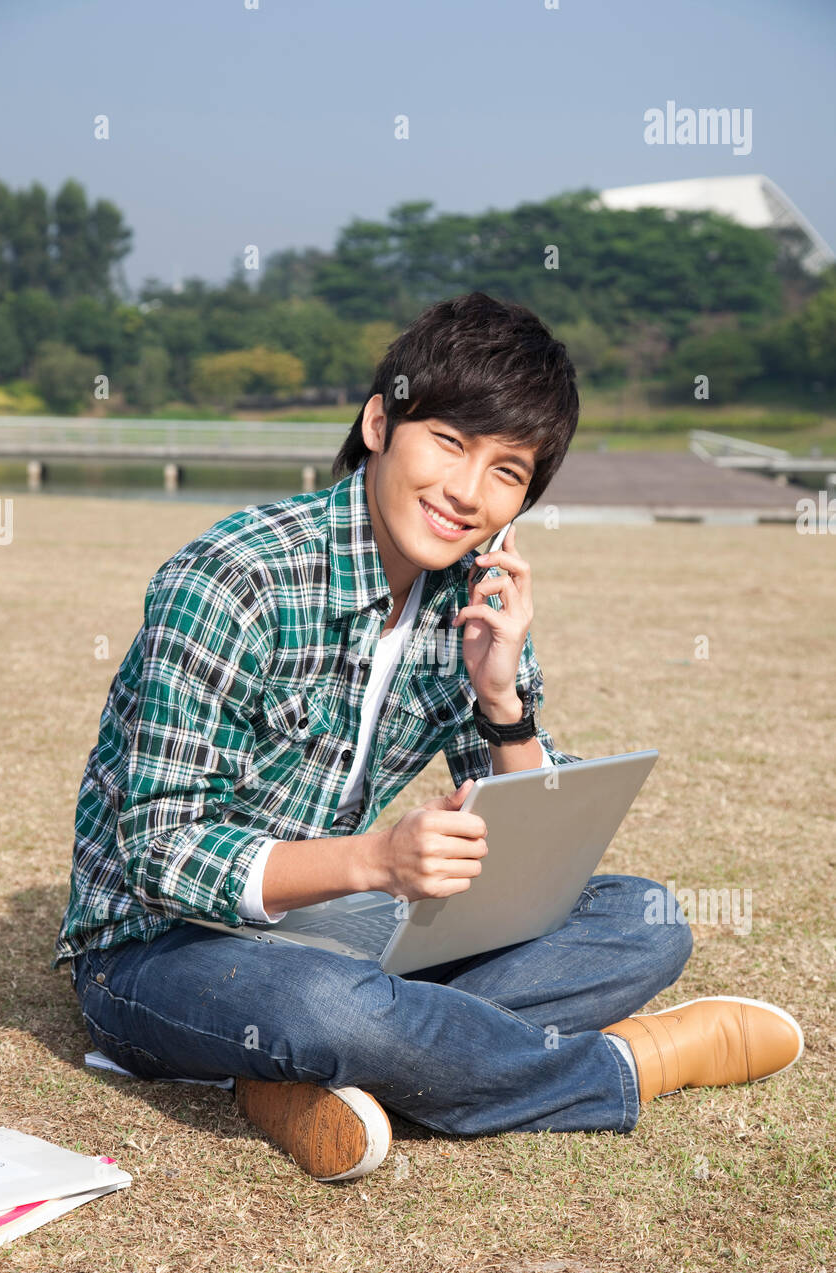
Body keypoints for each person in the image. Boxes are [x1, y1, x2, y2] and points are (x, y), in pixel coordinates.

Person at [53, 291, 803, 1183]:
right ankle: (624, 1067)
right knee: (328, 1005)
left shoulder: (464, 595)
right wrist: (377, 862)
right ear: (379, 422)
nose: (465, 492)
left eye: (506, 471)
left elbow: (538, 861)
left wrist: (502, 703)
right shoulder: (230, 579)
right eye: (449, 443)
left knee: (646, 921)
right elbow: (158, 854)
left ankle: (295, 1068)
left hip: (327, 932)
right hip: (156, 948)